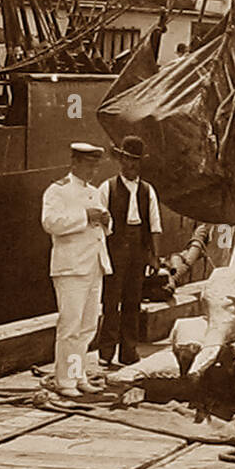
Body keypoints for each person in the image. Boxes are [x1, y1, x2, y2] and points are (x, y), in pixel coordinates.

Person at [41, 142, 112, 397]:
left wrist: (105, 221)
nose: (93, 170)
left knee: (88, 326)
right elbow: (51, 223)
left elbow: (101, 228)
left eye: (95, 165)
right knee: (70, 326)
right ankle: (66, 381)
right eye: (89, 164)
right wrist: (86, 216)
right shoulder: (57, 191)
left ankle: (78, 374)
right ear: (75, 163)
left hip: (94, 264)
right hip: (71, 267)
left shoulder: (94, 191)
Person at [95, 136, 162, 368]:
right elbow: (100, 226)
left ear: (140, 164)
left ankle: (129, 351)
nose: (130, 166)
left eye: (135, 162)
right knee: (111, 301)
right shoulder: (107, 188)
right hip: (115, 248)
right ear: (120, 160)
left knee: (133, 301)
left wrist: (154, 256)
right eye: (127, 160)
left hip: (137, 249)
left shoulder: (147, 191)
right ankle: (106, 352)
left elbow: (154, 225)